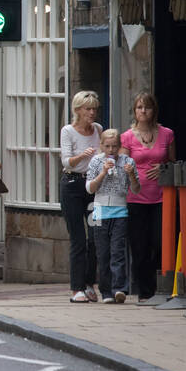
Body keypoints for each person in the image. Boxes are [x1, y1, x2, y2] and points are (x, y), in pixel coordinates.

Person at [120, 92, 176, 301]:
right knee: (139, 245)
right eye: (139, 107)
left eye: (147, 107)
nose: (143, 111)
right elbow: (122, 165)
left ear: (154, 110)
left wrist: (163, 167)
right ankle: (144, 291)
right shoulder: (126, 137)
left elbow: (173, 162)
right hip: (136, 197)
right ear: (134, 111)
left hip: (162, 196)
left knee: (160, 242)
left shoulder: (167, 133)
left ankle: (161, 286)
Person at [85, 129, 140, 303]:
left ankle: (119, 289)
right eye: (107, 146)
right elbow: (90, 188)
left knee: (118, 251)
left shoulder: (127, 161)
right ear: (101, 145)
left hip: (120, 209)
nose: (111, 150)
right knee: (102, 252)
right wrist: (102, 172)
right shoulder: (96, 161)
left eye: (114, 146)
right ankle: (106, 291)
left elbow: (136, 189)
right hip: (100, 208)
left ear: (120, 146)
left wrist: (131, 173)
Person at [61, 91, 102, 302]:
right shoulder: (68, 131)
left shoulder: (98, 130)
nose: (92, 113)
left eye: (94, 108)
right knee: (77, 238)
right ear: (78, 110)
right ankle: (76, 288)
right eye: (88, 109)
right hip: (72, 184)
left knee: (94, 238)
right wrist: (82, 156)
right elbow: (67, 162)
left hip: (93, 185)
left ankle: (89, 284)